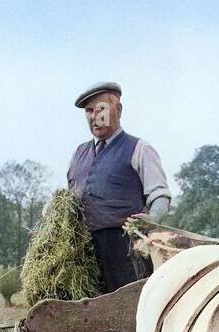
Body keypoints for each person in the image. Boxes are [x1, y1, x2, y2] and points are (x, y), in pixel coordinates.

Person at [67, 81, 171, 292]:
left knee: (129, 311)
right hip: (84, 255)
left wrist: (152, 219)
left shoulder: (140, 148)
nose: (95, 115)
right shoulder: (78, 153)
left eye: (101, 108)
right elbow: (67, 203)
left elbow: (160, 195)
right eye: (89, 111)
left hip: (127, 250)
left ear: (118, 109)